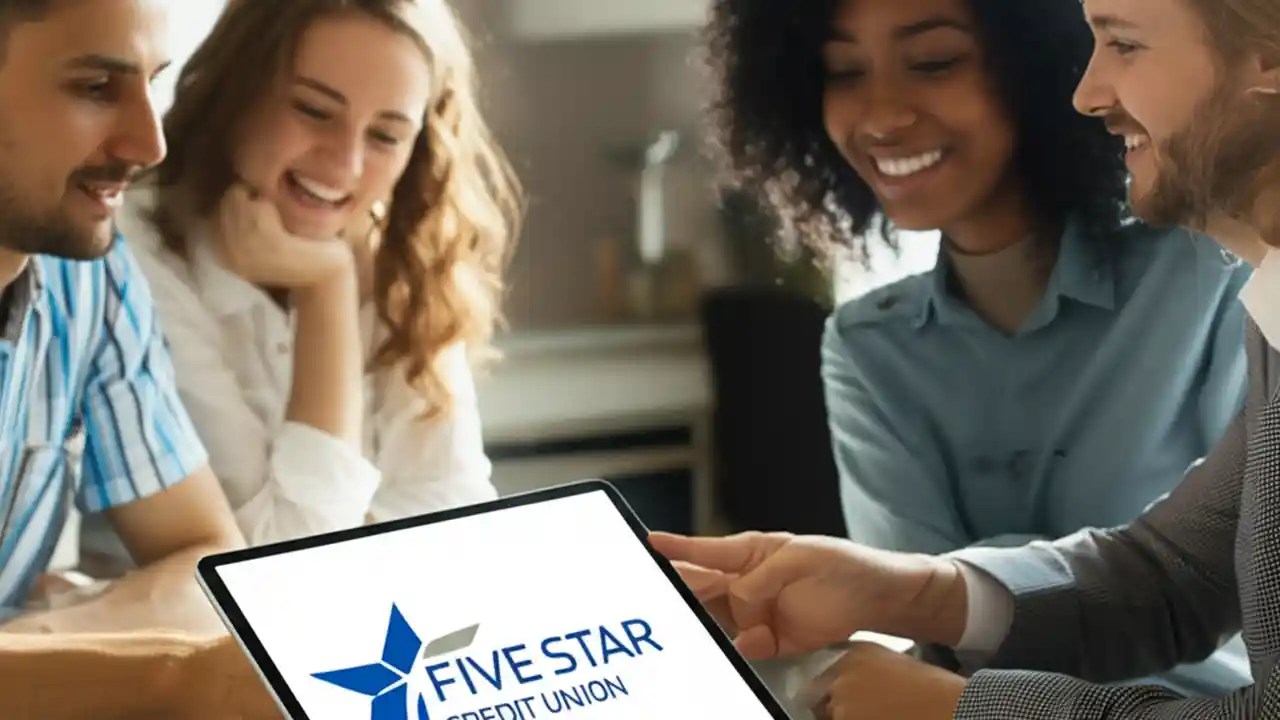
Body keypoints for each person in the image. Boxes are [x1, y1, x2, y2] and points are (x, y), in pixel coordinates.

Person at [655, 0, 1280, 713]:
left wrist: (959, 708)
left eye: (1125, 44)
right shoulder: (1273, 305)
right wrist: (903, 589)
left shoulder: (1228, 283)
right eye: (841, 71)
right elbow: (1172, 575)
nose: (1088, 90)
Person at [105, 0, 521, 547]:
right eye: (314, 111)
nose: (345, 164)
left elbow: (464, 523)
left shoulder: (408, 263)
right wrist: (327, 289)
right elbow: (285, 558)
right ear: (237, 94)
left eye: (385, 136)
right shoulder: (131, 257)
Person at [0, 0, 276, 717]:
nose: (150, 143)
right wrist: (142, 660)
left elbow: (207, 565)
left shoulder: (89, 274)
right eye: (96, 88)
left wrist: (44, 636)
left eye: (152, 83)